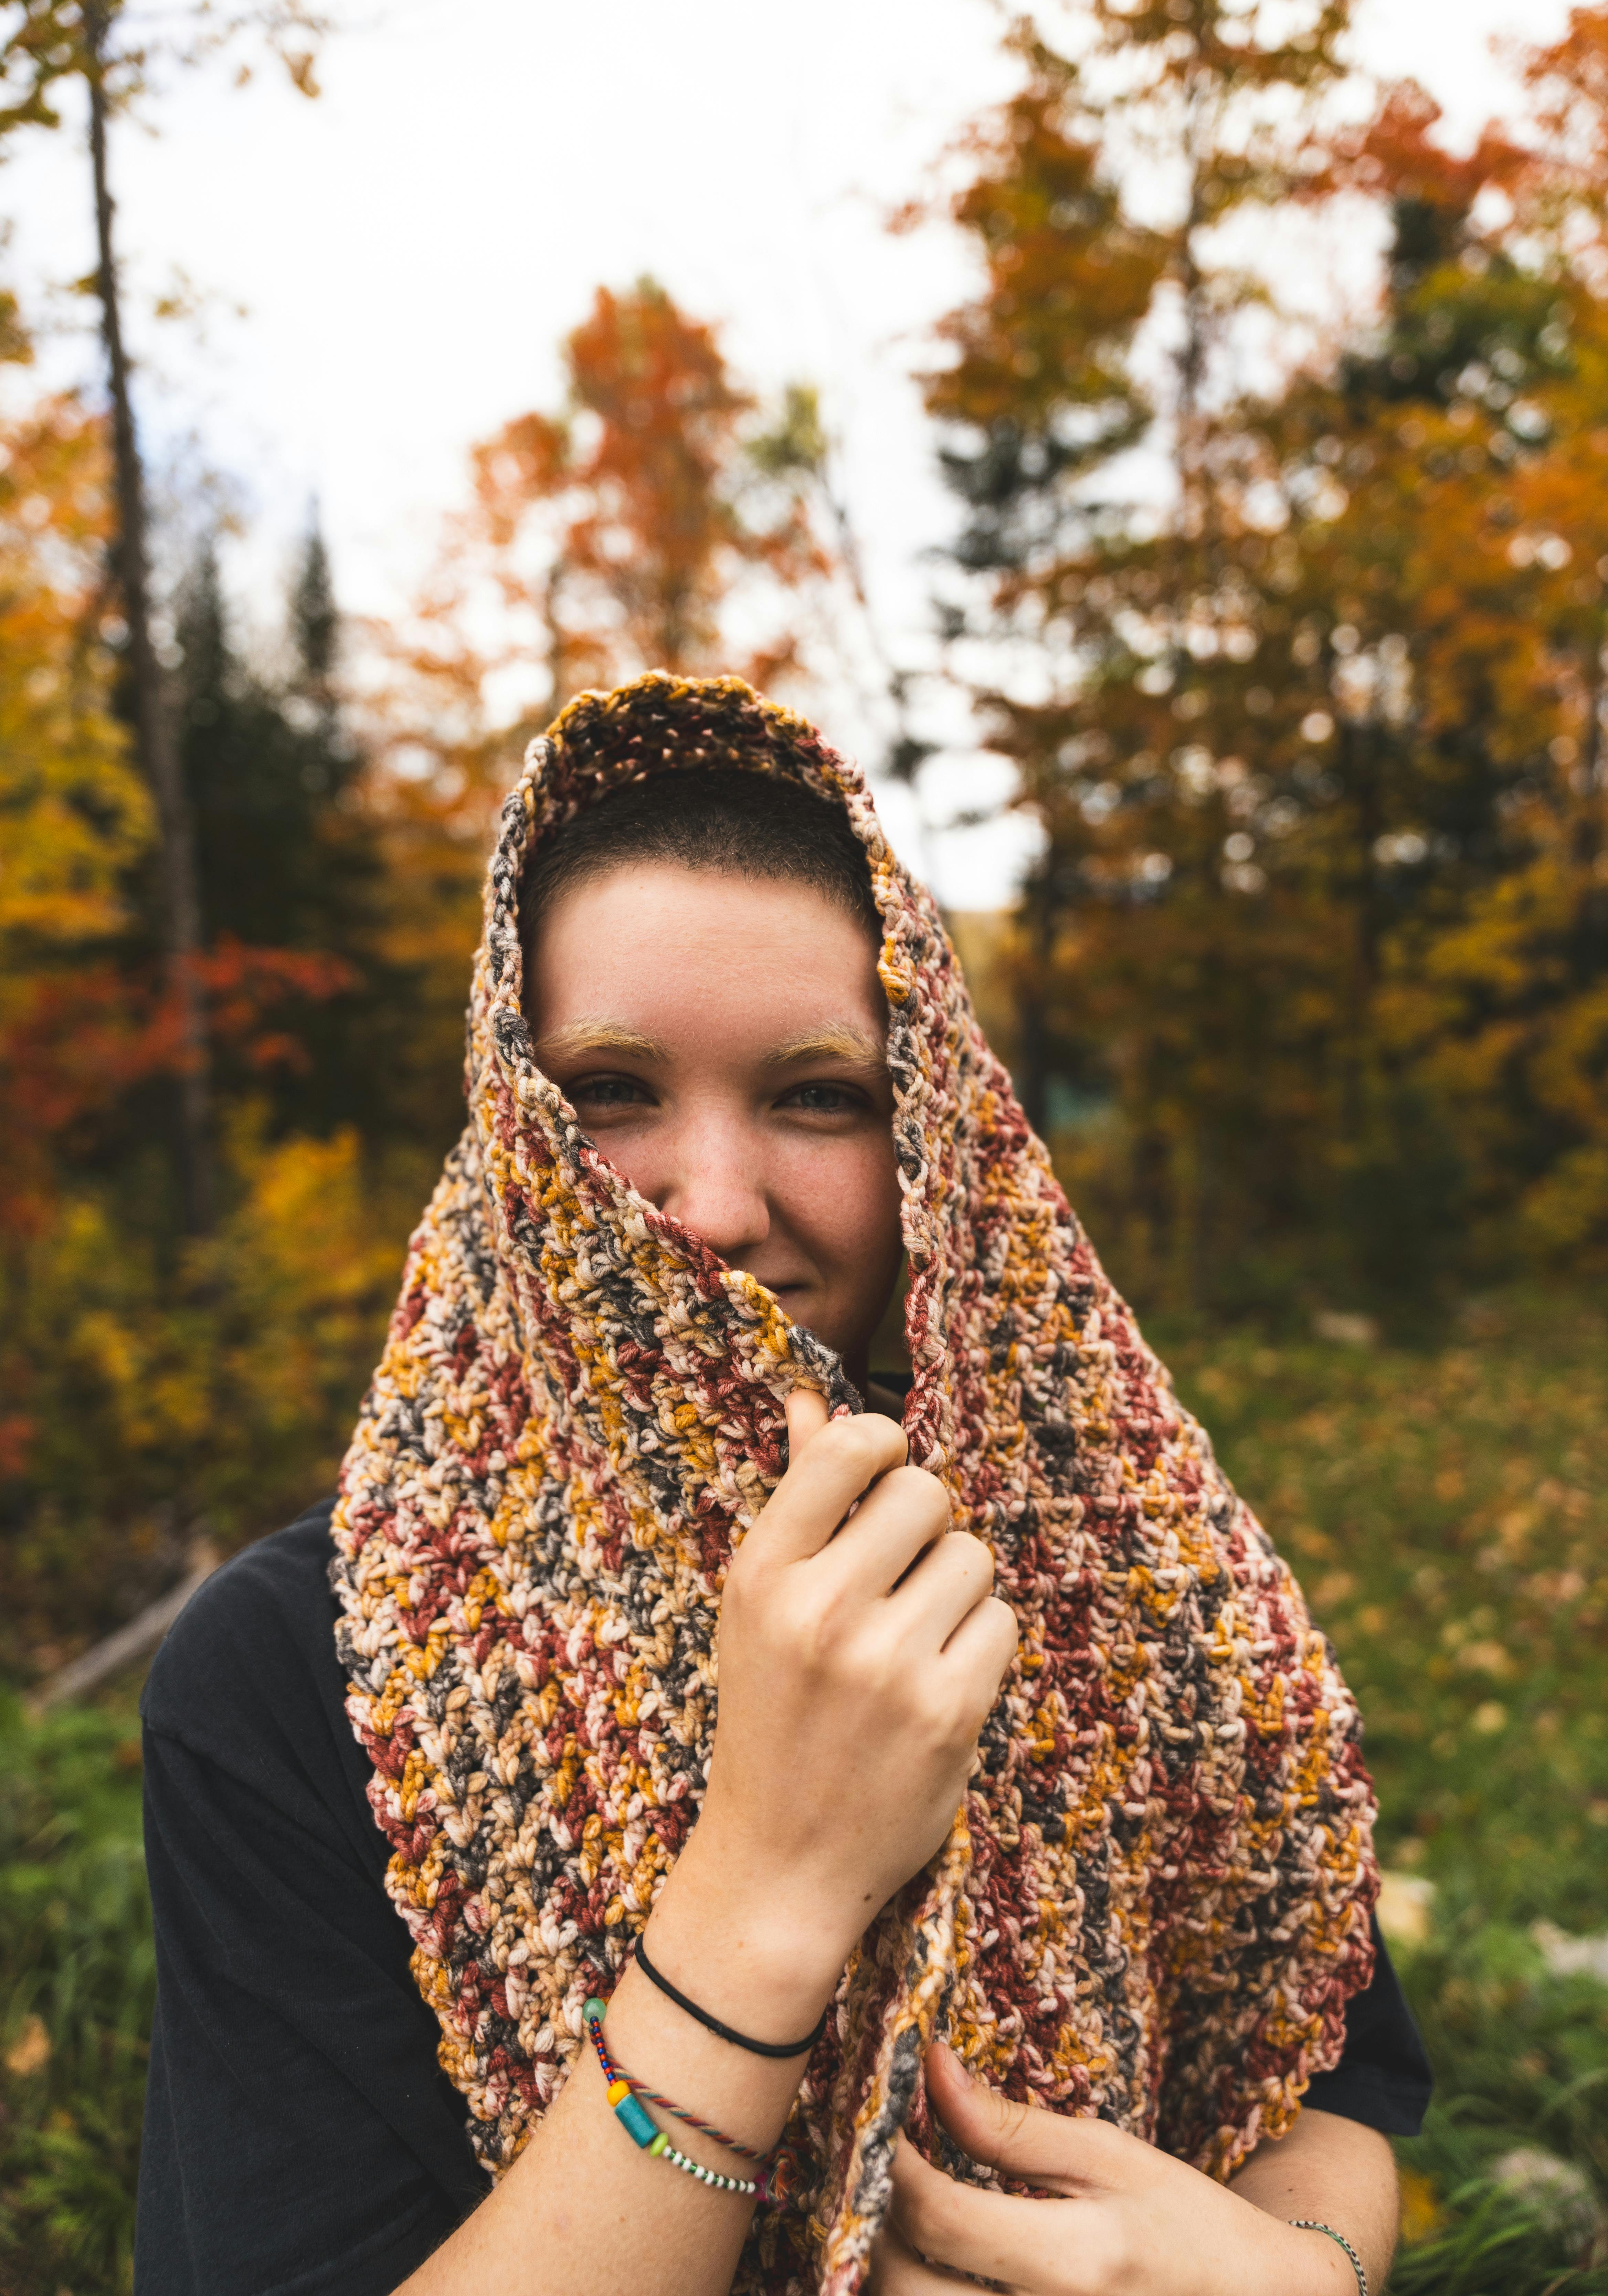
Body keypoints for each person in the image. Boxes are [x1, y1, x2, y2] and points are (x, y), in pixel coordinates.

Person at [136, 675, 1429, 2296]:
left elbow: (1328, 2084)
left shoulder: (1131, 1568)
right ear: (507, 1128)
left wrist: (1303, 2268)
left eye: (818, 1095)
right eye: (608, 1090)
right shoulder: (298, 1673)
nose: (714, 1207)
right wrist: (770, 1874)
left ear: (935, 1146)